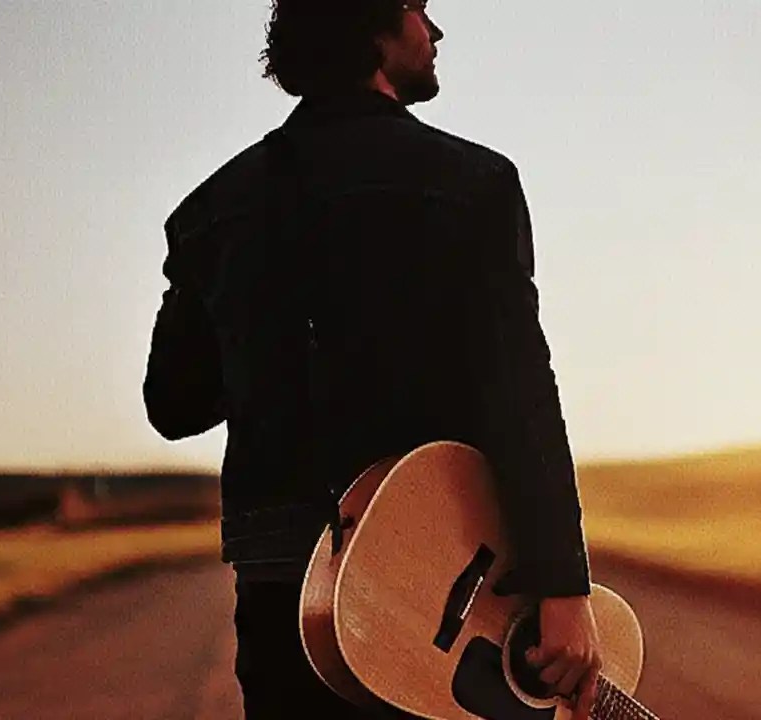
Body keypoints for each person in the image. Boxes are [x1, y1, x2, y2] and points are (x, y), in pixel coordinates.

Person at [143, 1, 601, 717]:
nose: (436, 31)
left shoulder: (209, 212)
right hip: (442, 596)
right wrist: (563, 584)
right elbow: (519, 394)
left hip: (284, 604)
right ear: (373, 29)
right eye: (420, 9)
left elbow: (172, 405)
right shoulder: (475, 184)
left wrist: (263, 338)